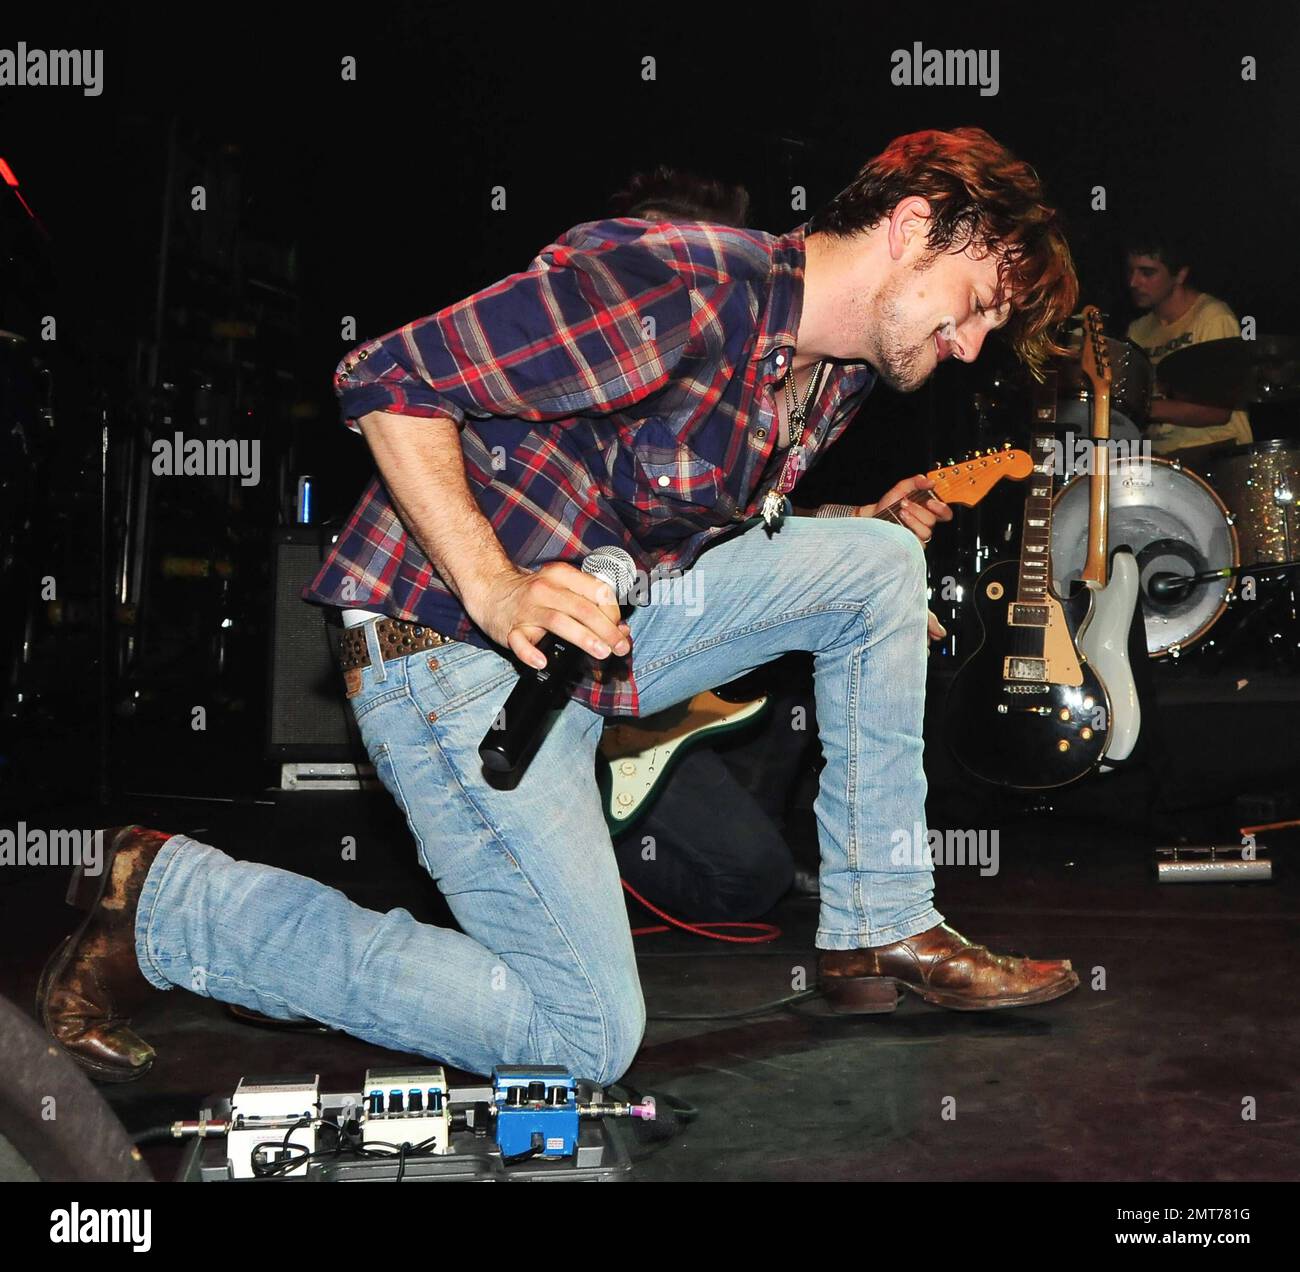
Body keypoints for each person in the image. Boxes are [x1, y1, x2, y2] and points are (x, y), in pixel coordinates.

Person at [39, 128, 1081, 1089]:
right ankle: (175, 909)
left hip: (592, 638)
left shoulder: (828, 376)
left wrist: (845, 533)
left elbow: (671, 512)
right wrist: (494, 585)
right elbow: (389, 379)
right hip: (443, 653)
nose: (972, 345)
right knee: (582, 1035)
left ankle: (879, 924)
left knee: (876, 565)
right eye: (977, 301)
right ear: (911, 225)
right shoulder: (687, 278)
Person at [1125, 229, 1252, 465]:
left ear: (1180, 275)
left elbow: (1219, 411)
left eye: (1147, 272)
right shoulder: (1137, 330)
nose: (1134, 282)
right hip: (1160, 456)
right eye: (1130, 271)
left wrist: (1142, 407)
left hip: (1216, 451)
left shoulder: (1212, 317)